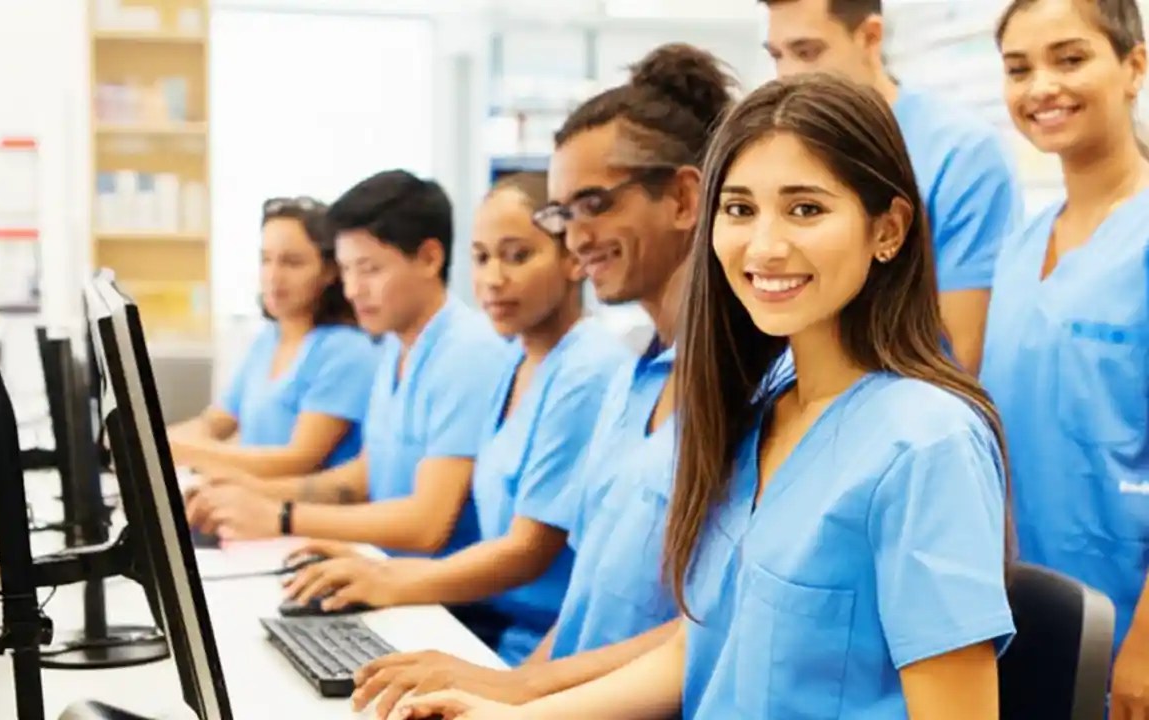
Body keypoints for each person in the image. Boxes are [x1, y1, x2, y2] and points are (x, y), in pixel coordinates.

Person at [394, 73, 1016, 720]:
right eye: (741, 210)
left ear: (887, 230)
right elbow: (705, 641)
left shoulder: (926, 442)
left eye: (805, 209)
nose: (765, 246)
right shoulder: (762, 412)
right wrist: (510, 715)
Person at [350, 43, 739, 720]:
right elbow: (589, 596)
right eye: (563, 213)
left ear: (682, 197)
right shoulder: (636, 380)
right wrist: (495, 689)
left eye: (593, 204)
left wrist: (519, 694)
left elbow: (702, 631)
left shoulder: (739, 390)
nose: (576, 236)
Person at [281, 171, 627, 666]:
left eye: (518, 255)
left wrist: (385, 576)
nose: (492, 279)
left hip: (535, 644)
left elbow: (527, 550)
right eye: (482, 257)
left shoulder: (586, 369)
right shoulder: (515, 359)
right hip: (496, 624)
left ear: (573, 256)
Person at [185, 171, 506, 565]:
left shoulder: (466, 354)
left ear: (429, 258)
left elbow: (427, 524)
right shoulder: (395, 345)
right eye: (347, 269)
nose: (353, 289)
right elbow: (365, 475)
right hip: (380, 569)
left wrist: (283, 517)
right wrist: (254, 491)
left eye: (370, 269)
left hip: (450, 603)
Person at [985, 1, 1149, 716]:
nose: (1041, 86)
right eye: (1019, 69)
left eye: (1070, 58)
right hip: (1027, 617)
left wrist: (1145, 641)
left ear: (1134, 65)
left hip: (1129, 628)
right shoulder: (1022, 246)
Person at [759, 0, 1022, 374]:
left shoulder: (960, 155)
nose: (788, 76)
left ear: (870, 37)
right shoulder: (783, 150)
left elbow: (962, 351)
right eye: (777, 56)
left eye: (807, 53)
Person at [167, 197, 377, 477]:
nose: (273, 276)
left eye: (292, 262)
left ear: (328, 271)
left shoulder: (346, 350)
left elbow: (295, 460)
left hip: (295, 513)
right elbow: (216, 422)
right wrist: (143, 444)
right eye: (266, 260)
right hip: (246, 504)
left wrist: (182, 452)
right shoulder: (268, 339)